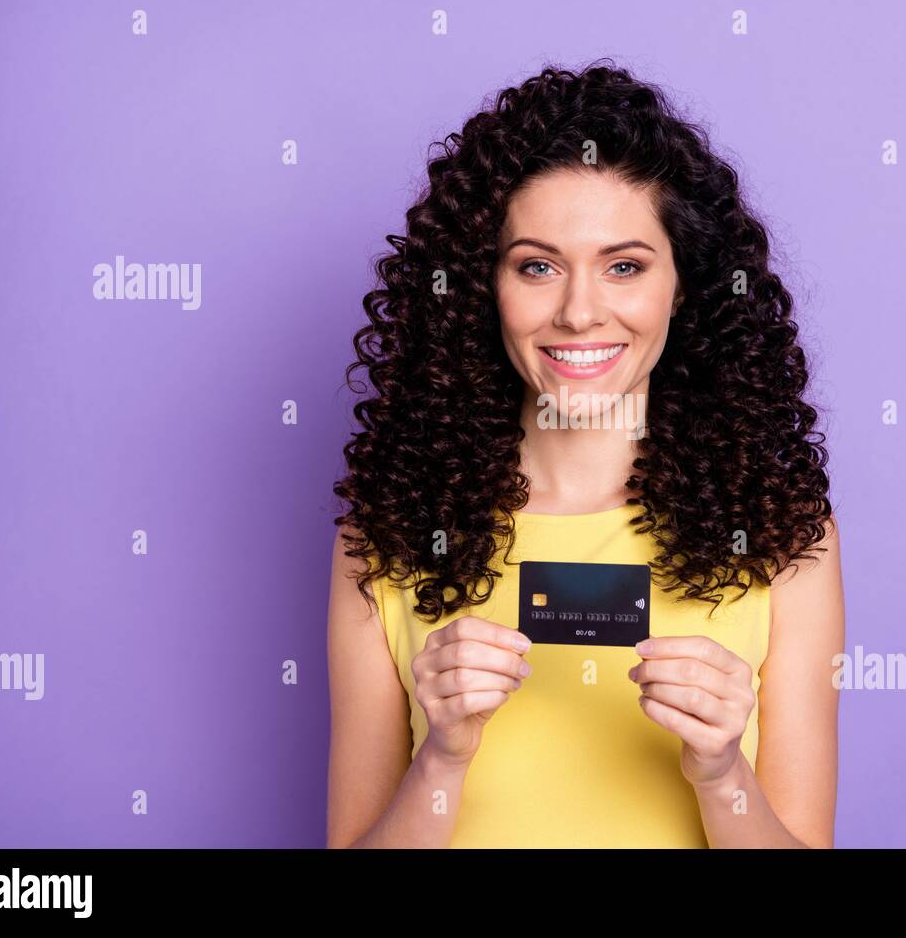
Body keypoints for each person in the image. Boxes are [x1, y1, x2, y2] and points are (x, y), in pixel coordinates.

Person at [326, 61, 844, 848]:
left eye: (624, 266)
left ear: (683, 285)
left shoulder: (783, 535)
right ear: (481, 286)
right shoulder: (388, 535)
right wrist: (441, 758)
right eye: (537, 266)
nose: (578, 312)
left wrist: (720, 774)